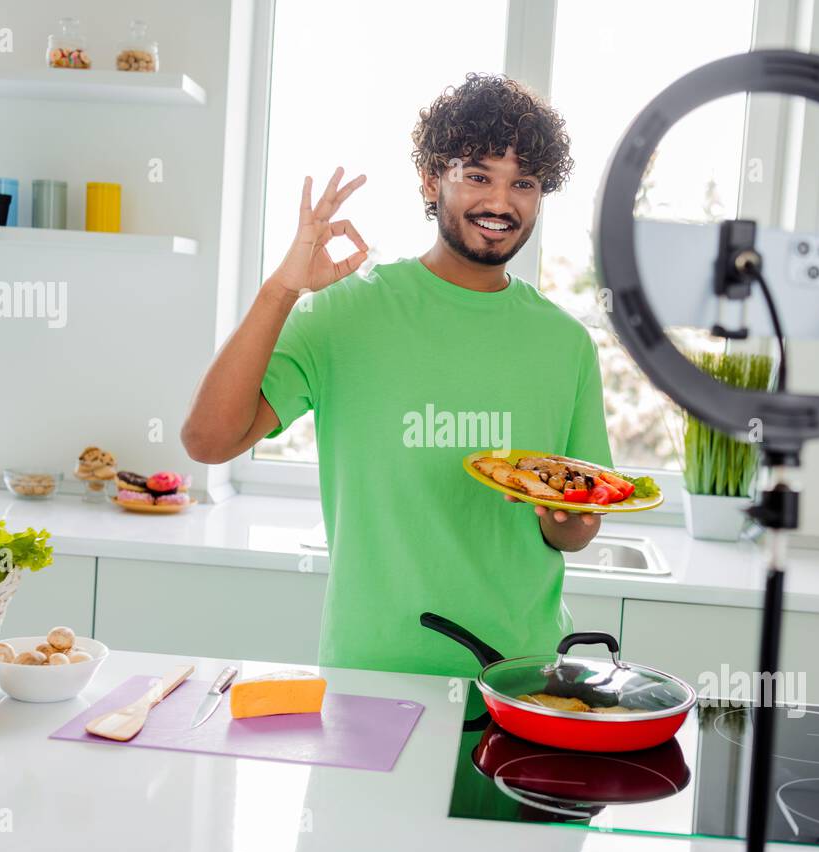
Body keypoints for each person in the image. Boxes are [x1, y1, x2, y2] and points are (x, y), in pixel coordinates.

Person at [182, 73, 613, 676]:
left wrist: (568, 521)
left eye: (524, 183)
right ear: (432, 179)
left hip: (520, 677)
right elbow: (208, 440)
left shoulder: (566, 343)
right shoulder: (345, 312)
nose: (501, 202)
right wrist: (282, 290)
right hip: (373, 675)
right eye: (478, 175)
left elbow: (581, 526)